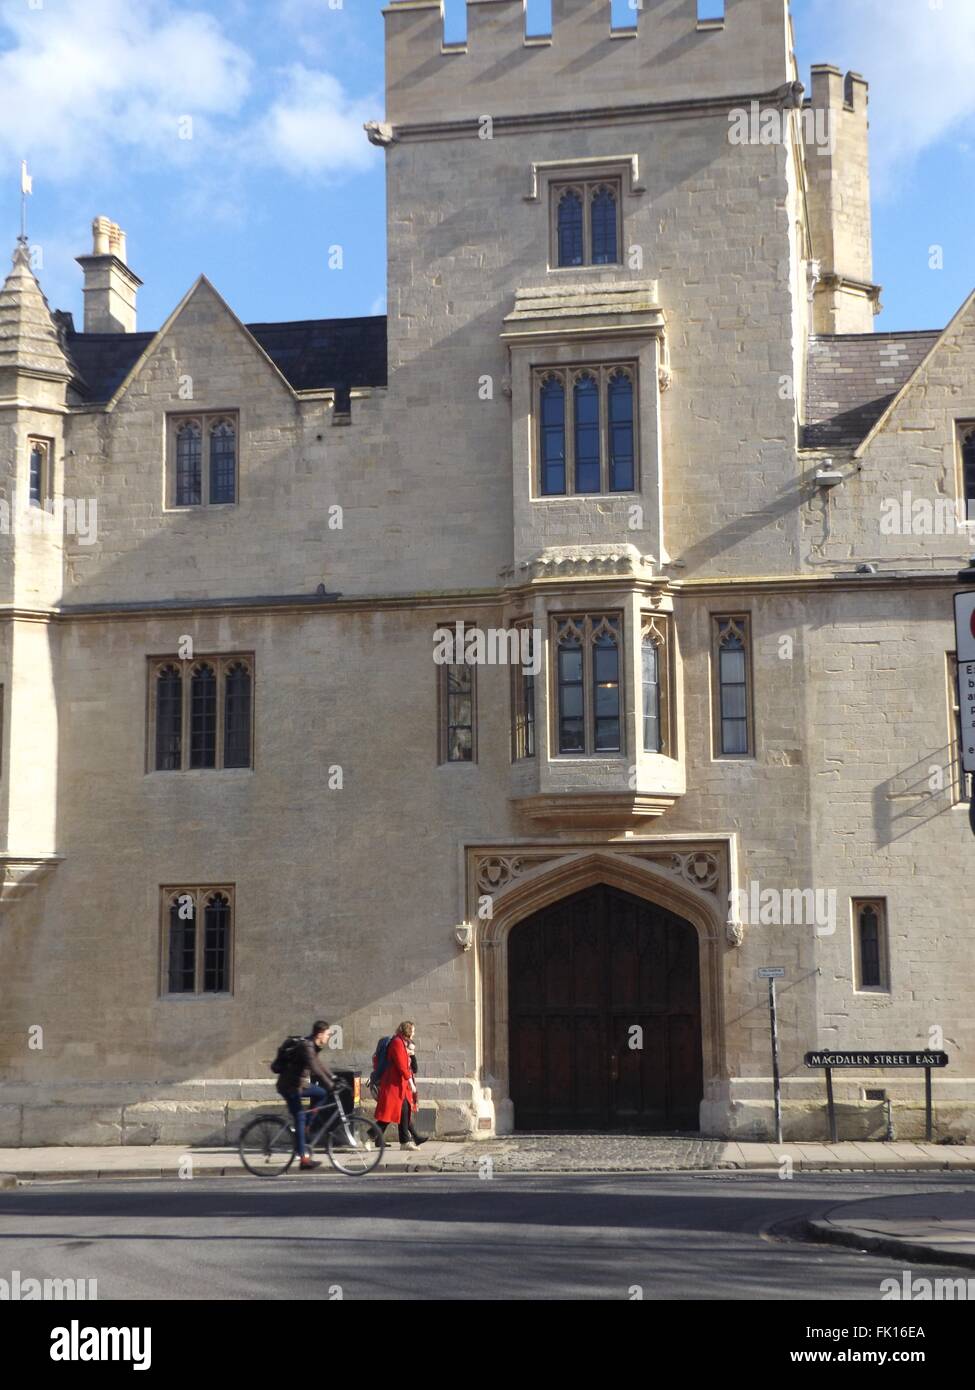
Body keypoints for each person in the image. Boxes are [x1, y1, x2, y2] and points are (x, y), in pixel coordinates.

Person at [275, 1019, 337, 1171]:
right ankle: (303, 1158)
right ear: (320, 1034)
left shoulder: (312, 1045)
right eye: (328, 1034)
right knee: (300, 1117)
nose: (329, 1037)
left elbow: (319, 1064)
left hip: (300, 1084)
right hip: (290, 1086)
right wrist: (330, 1085)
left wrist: (334, 1078)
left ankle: (306, 1126)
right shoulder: (306, 1046)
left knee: (321, 1094)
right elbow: (315, 1068)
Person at [374, 1020, 422, 1150]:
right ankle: (370, 1136)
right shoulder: (397, 1043)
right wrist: (411, 1083)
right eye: (413, 1030)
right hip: (393, 1085)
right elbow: (402, 1066)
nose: (414, 1033)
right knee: (387, 1115)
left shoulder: (402, 1043)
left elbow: (411, 1066)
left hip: (401, 1085)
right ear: (408, 1031)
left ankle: (405, 1142)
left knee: (404, 1112)